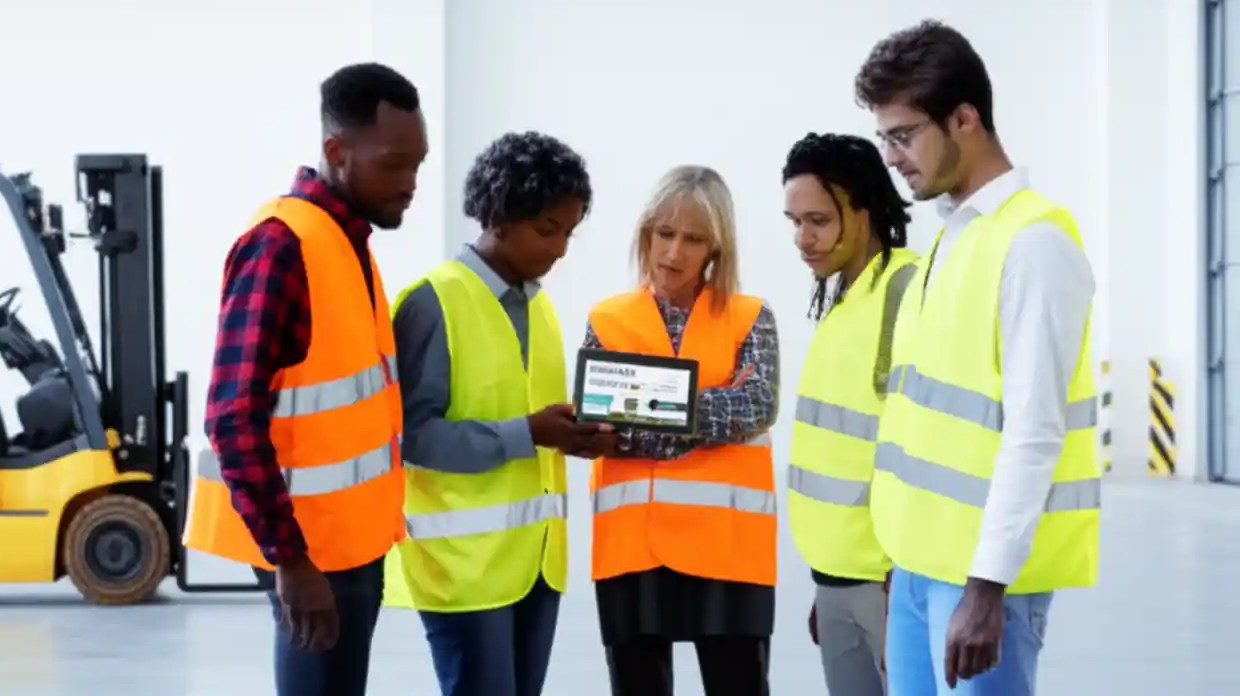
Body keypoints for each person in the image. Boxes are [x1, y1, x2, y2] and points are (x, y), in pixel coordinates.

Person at [854, 20, 1101, 695]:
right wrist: (897, 561)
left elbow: (1034, 430)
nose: (892, 156)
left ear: (964, 119)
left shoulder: (1034, 244)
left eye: (902, 136)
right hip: (916, 569)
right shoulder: (951, 239)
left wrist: (987, 588)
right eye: (885, 139)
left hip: (983, 583)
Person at [181, 63, 428, 695]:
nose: (410, 184)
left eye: (417, 165)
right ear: (335, 152)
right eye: (395, 164)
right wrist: (290, 560)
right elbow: (232, 418)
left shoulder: (347, 242)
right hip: (310, 551)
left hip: (350, 543)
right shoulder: (279, 247)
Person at [384, 130, 610, 696]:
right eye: (547, 230)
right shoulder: (432, 303)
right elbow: (412, 437)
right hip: (463, 571)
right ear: (499, 216)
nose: (560, 248)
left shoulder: (541, 309)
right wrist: (528, 433)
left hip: (536, 565)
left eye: (569, 233)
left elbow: (526, 421)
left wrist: (571, 438)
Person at [582, 165, 780, 696]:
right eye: (664, 234)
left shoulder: (751, 316)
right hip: (632, 550)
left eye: (693, 239)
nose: (674, 251)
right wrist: (712, 409)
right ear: (646, 233)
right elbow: (603, 424)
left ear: (717, 247)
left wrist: (648, 405)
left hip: (731, 549)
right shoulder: (606, 319)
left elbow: (757, 405)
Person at [782, 132, 918, 696]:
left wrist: (899, 576)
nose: (802, 239)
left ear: (862, 210)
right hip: (837, 577)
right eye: (793, 221)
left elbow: (917, 440)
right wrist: (827, 585)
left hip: (888, 582)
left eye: (817, 220)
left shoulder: (904, 290)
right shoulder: (842, 299)